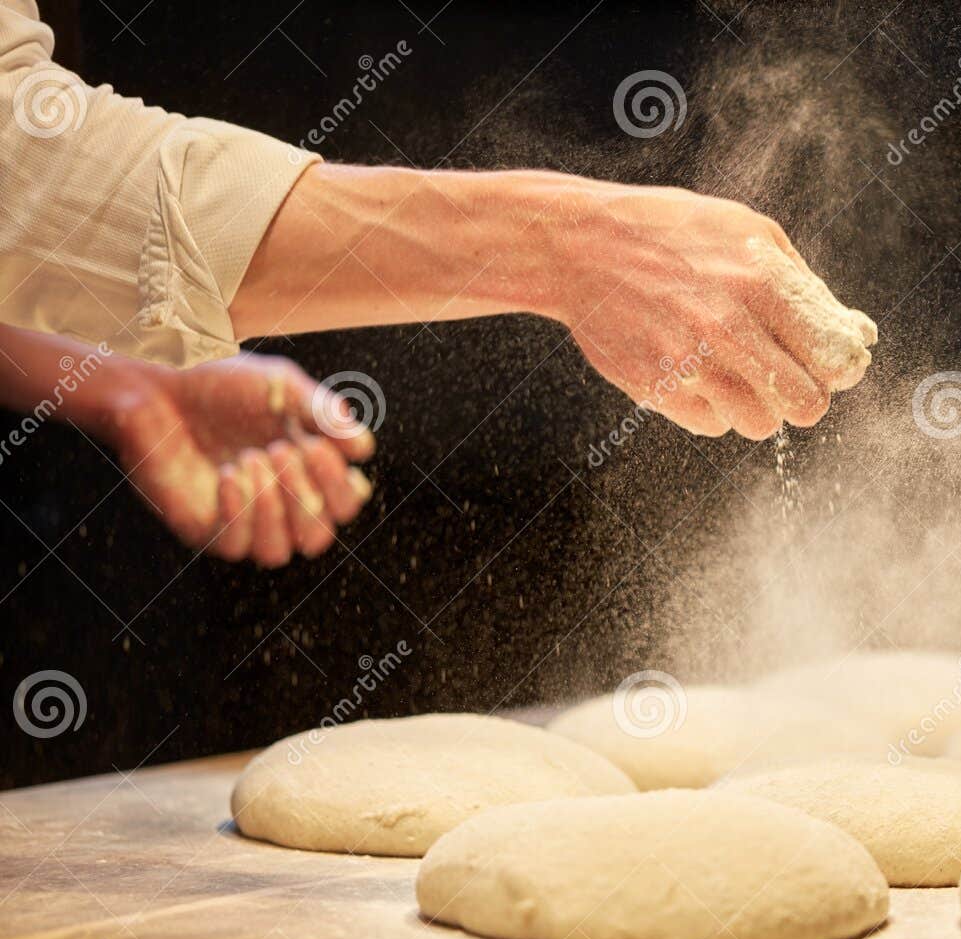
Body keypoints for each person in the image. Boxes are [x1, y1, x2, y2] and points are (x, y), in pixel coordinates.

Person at [0, 1, 869, 566]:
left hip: (311, 449)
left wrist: (125, 375)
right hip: (128, 552)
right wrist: (568, 245)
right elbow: (19, 159)